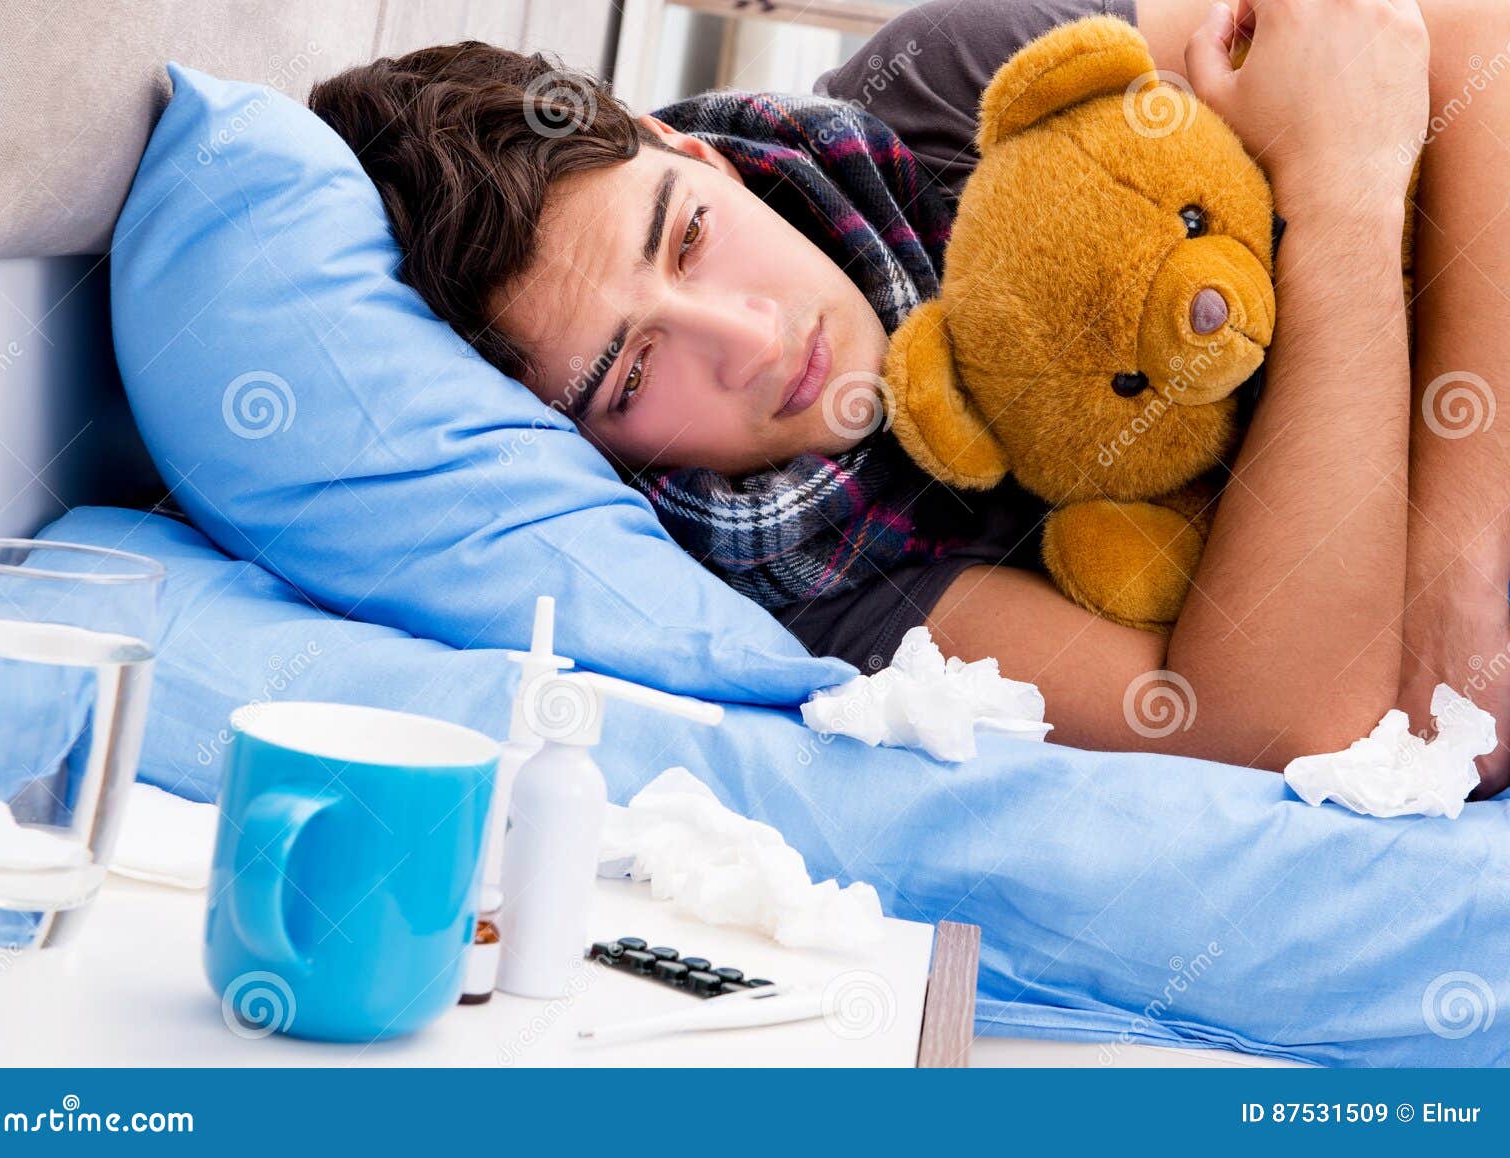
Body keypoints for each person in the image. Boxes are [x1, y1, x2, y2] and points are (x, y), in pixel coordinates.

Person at [311, 0, 1510, 799]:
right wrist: (1343, 208)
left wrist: (1460, 570)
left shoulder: (947, 86)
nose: (750, 341)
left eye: (690, 241)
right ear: (578, 442)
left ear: (696, 155)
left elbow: (1444, 41)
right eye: (631, 376)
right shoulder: (819, 588)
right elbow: (1274, 727)